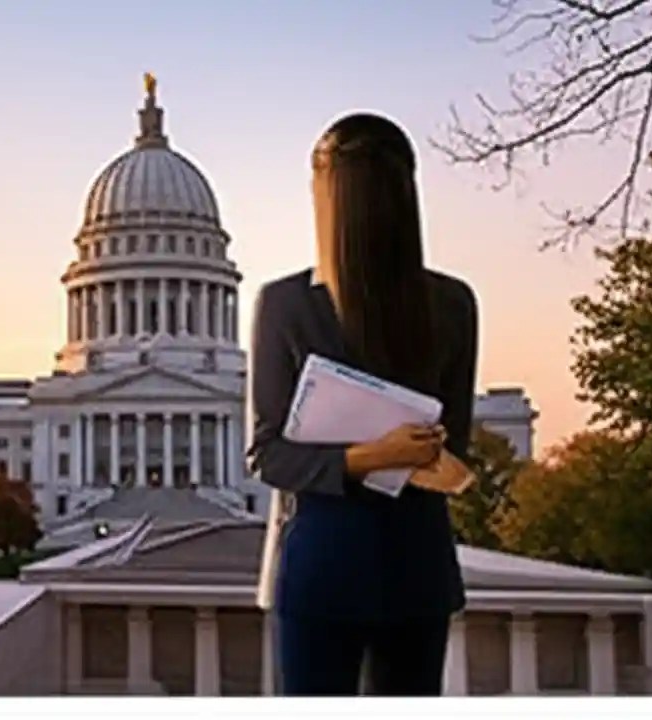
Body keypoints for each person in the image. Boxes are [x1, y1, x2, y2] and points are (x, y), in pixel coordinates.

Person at [246, 112, 479, 696]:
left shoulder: (449, 304)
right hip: (357, 570)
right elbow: (268, 456)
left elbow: (272, 457)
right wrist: (374, 455)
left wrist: (412, 456)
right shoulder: (287, 304)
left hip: (376, 568)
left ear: (326, 200)